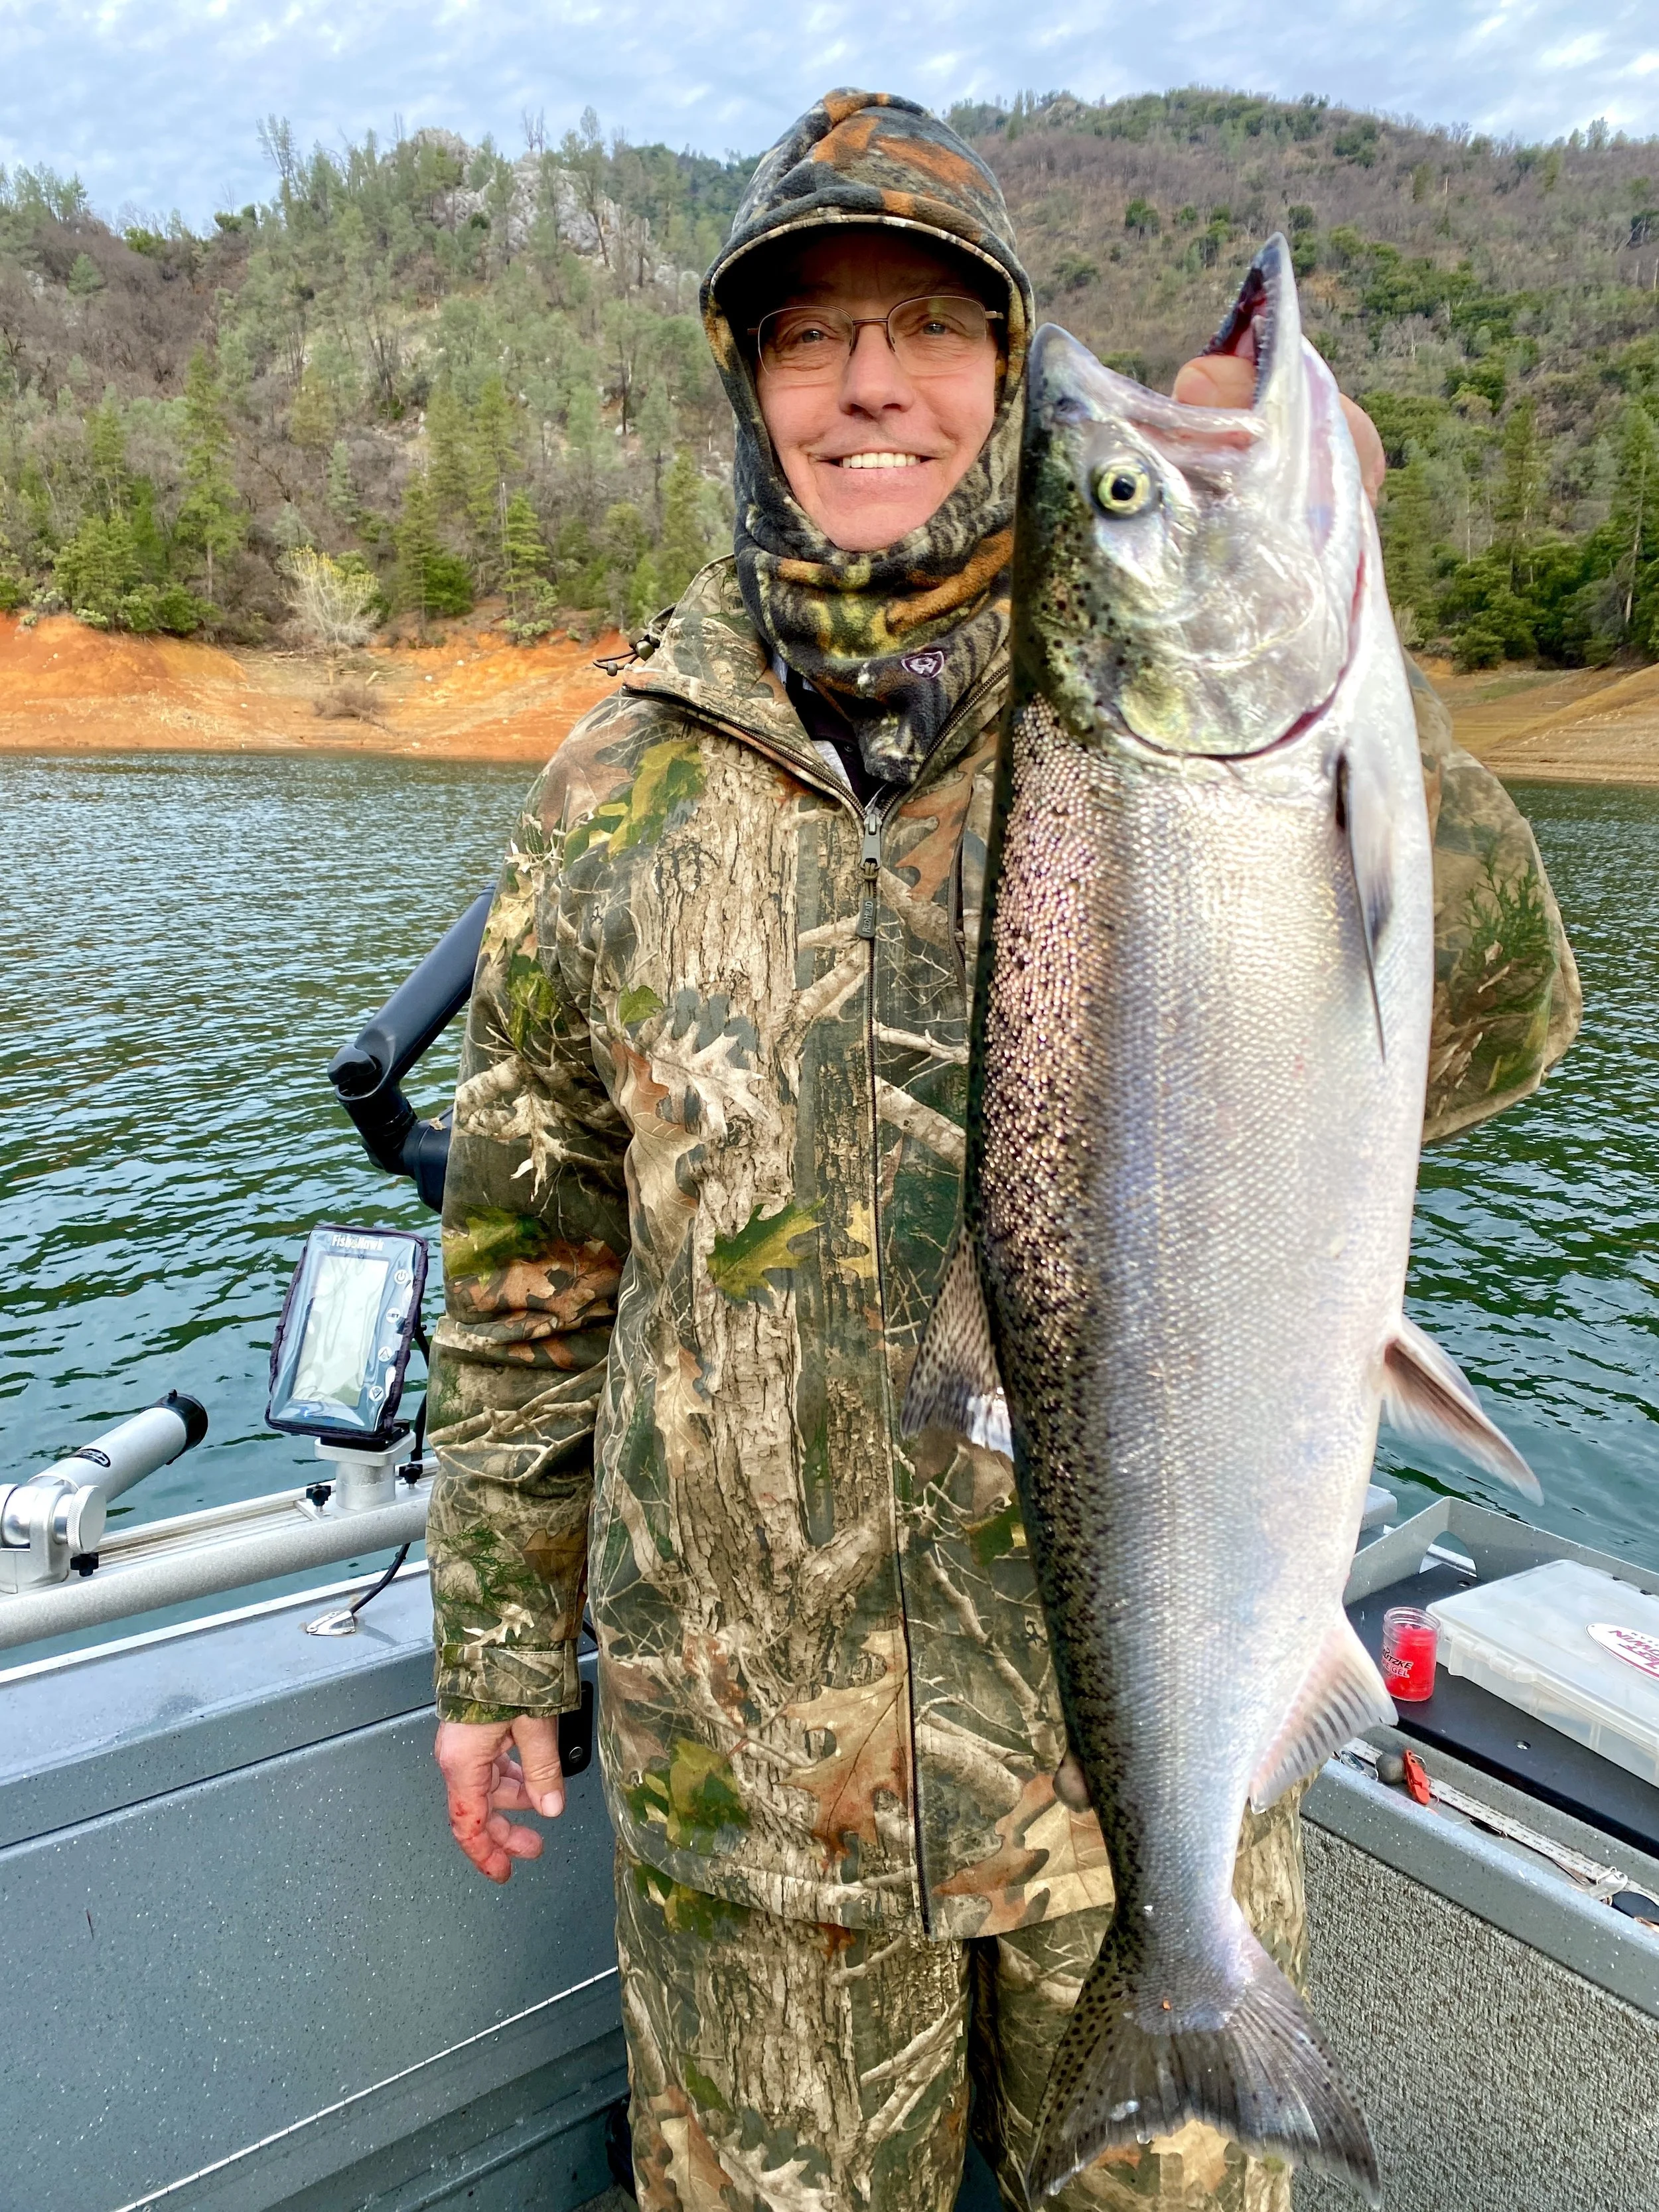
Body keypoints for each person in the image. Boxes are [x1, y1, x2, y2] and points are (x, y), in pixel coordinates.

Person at [426, 90, 1580, 2211]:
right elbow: (527, 1259)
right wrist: (499, 1653)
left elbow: (1491, 1026)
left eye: (933, 328)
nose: (872, 382)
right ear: (748, 384)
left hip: (1126, 1774)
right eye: (808, 333)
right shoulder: (610, 791)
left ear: (999, 360)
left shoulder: (1152, 733)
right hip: (756, 1808)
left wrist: (1351, 642)